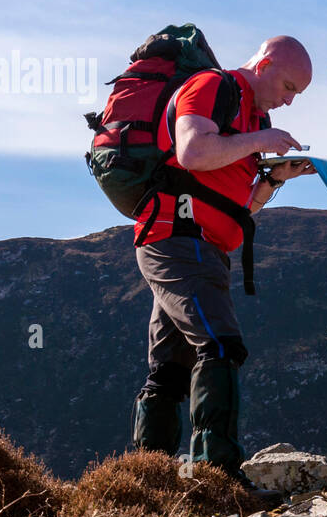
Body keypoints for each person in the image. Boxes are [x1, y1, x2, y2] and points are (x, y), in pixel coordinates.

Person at [129, 35, 315, 492]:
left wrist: (271, 179)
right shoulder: (213, 87)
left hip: (204, 246)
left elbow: (240, 208)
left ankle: (145, 484)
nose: (289, 100)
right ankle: (219, 477)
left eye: (297, 94)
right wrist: (262, 140)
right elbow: (192, 150)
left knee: (169, 368)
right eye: (288, 86)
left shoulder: (255, 116)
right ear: (265, 63)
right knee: (221, 344)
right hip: (178, 238)